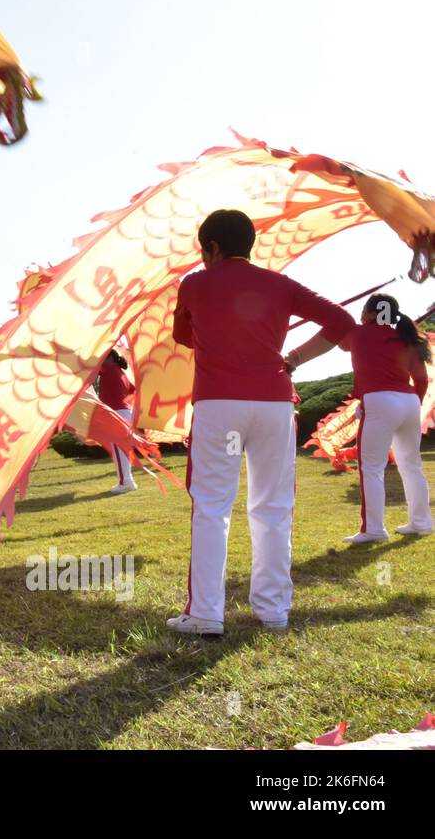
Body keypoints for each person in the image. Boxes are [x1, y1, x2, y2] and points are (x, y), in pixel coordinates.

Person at [168, 209, 353, 636]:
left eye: (203, 251)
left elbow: (183, 336)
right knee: (273, 507)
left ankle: (206, 614)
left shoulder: (194, 283)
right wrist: (294, 358)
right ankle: (273, 611)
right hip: (273, 405)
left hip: (220, 406)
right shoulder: (280, 284)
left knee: (212, 506)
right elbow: (342, 322)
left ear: (212, 248)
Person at [286, 293, 434, 541]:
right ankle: (421, 522)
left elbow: (336, 335)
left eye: (364, 310)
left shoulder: (356, 333)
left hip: (379, 400)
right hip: (408, 401)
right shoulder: (408, 338)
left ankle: (374, 530)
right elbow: (420, 380)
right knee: (412, 466)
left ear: (370, 313)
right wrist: (412, 407)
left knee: (371, 469)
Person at [97, 348, 137, 494]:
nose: (99, 361)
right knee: (123, 450)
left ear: (111, 359)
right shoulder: (120, 372)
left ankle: (125, 483)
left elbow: (89, 370)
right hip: (125, 412)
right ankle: (128, 481)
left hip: (117, 412)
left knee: (119, 450)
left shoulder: (109, 369)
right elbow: (133, 391)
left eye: (102, 358)